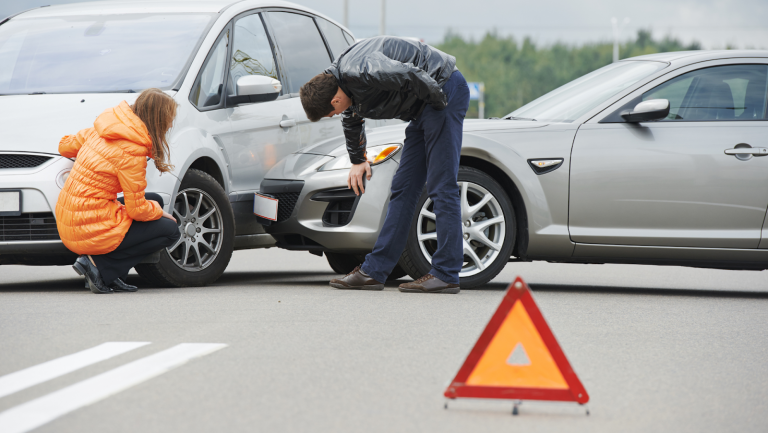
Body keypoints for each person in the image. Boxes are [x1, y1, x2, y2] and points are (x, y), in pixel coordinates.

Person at [300, 36, 470, 294]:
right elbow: (352, 117)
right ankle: (374, 272)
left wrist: (439, 108)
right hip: (424, 105)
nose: (336, 115)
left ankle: (446, 273)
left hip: (442, 91)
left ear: (334, 100)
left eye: (331, 113)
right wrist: (358, 160)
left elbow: (411, 75)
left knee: (441, 184)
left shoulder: (362, 70)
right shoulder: (340, 82)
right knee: (403, 187)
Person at [55, 88, 181, 294]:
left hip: (69, 217)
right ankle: (99, 266)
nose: (170, 125)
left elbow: (64, 146)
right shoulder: (132, 151)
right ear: (158, 120)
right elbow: (137, 210)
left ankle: (111, 274)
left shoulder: (103, 129)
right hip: (87, 226)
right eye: (169, 120)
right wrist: (159, 212)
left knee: (155, 199)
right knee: (170, 230)